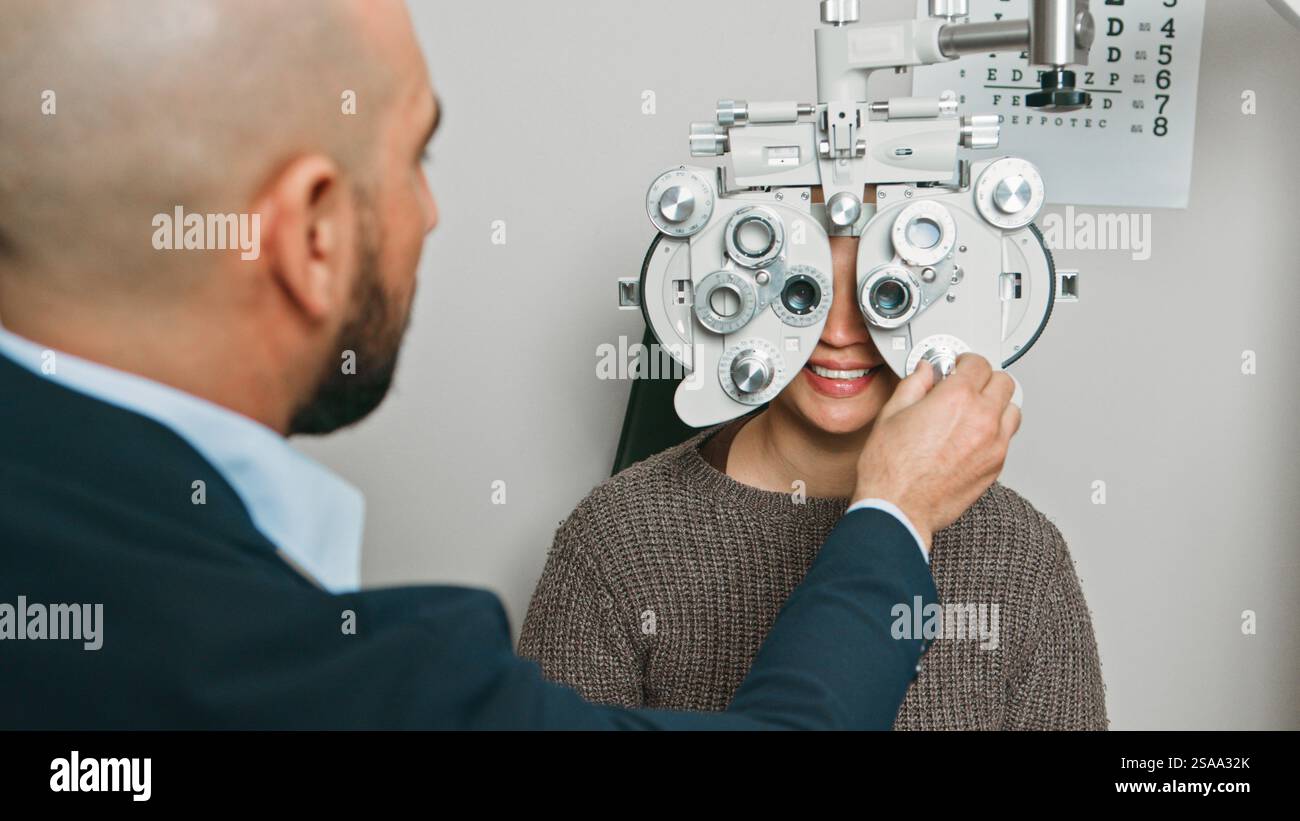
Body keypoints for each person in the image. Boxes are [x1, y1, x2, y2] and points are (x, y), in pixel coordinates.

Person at [0, 0, 1017, 730]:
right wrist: (895, 518)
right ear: (310, 236)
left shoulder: (1022, 557)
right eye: (415, 161)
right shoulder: (314, 675)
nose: (433, 214)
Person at [520, 225, 1108, 730]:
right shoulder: (615, 540)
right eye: (802, 292)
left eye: (885, 294)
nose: (840, 333)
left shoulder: (1021, 551)